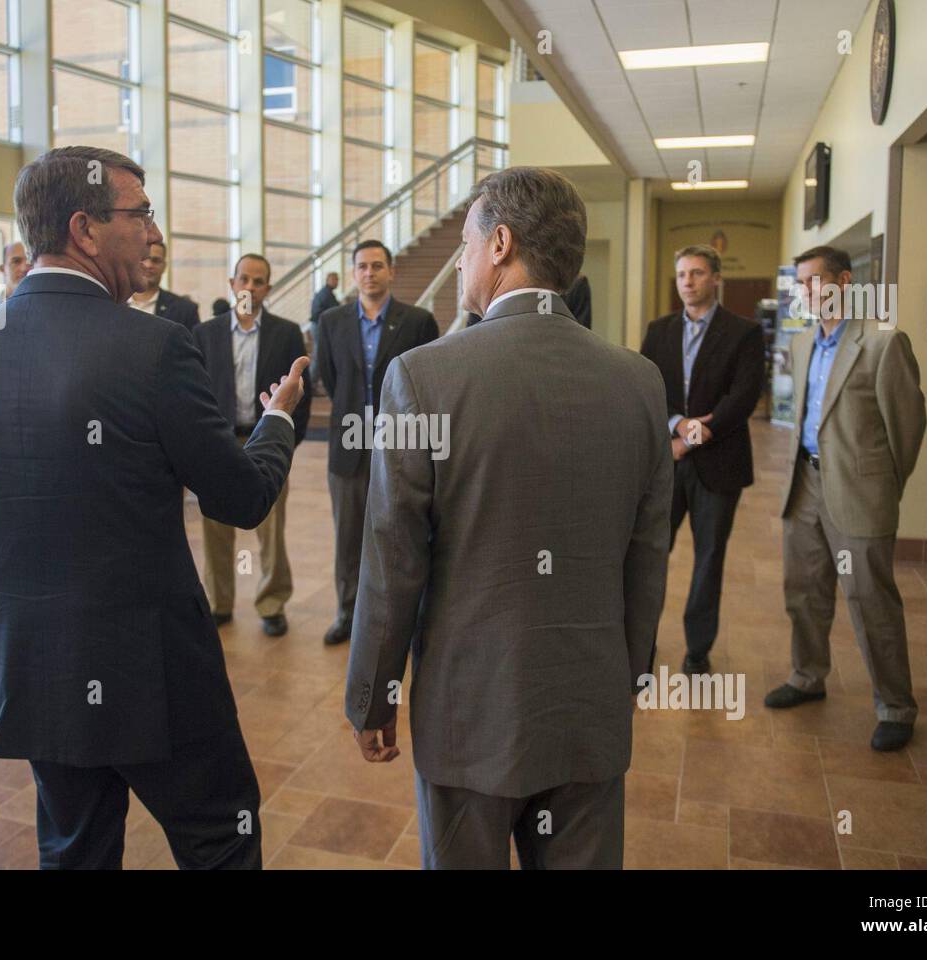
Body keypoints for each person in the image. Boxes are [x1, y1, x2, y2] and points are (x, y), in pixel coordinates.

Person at [0, 145, 309, 869]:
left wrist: (33, 537)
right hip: (150, 670)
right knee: (221, 834)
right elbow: (242, 498)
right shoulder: (155, 347)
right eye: (141, 213)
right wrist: (279, 419)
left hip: (29, 659)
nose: (153, 233)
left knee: (74, 848)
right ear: (85, 230)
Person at [344, 167, 671, 869]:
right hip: (588, 709)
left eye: (465, 242)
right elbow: (648, 558)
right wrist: (628, 682)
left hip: (471, 716)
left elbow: (393, 562)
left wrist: (373, 698)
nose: (461, 259)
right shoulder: (640, 382)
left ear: (499, 244)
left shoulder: (420, 377)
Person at [764, 245, 926, 752]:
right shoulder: (806, 342)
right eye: (801, 285)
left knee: (870, 601)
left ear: (844, 282)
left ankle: (895, 706)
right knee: (803, 590)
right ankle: (808, 677)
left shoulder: (882, 343)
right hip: (805, 485)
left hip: (858, 492)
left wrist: (882, 486)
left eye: (815, 282)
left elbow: (908, 429)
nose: (806, 293)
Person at [640, 245, 765, 674]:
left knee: (709, 559)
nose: (687, 282)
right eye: (681, 275)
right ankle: (642, 642)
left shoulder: (744, 332)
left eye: (696, 273)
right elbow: (650, 388)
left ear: (716, 279)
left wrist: (691, 438)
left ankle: (698, 650)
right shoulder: (658, 331)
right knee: (650, 554)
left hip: (719, 463)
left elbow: (744, 396)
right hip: (667, 464)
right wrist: (678, 424)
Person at [314, 240, 438, 647]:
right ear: (353, 274)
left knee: (399, 533)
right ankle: (347, 613)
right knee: (348, 535)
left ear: (391, 272)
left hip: (400, 442)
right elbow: (331, 379)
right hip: (348, 443)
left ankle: (399, 617)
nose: (370, 273)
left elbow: (425, 380)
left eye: (377, 266)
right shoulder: (331, 322)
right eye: (362, 267)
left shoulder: (417, 320)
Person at [192, 254, 310, 636]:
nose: (250, 286)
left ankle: (271, 603)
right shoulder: (204, 334)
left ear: (268, 289)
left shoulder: (287, 332)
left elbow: (300, 394)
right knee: (215, 528)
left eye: (259, 281)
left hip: (266, 439)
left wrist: (286, 440)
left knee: (271, 530)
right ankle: (218, 601)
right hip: (218, 443)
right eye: (244, 278)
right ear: (231, 283)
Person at [129, 239, 200, 330]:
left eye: (156, 260)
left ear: (164, 266)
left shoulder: (185, 310)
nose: (149, 265)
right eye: (144, 258)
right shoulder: (114, 304)